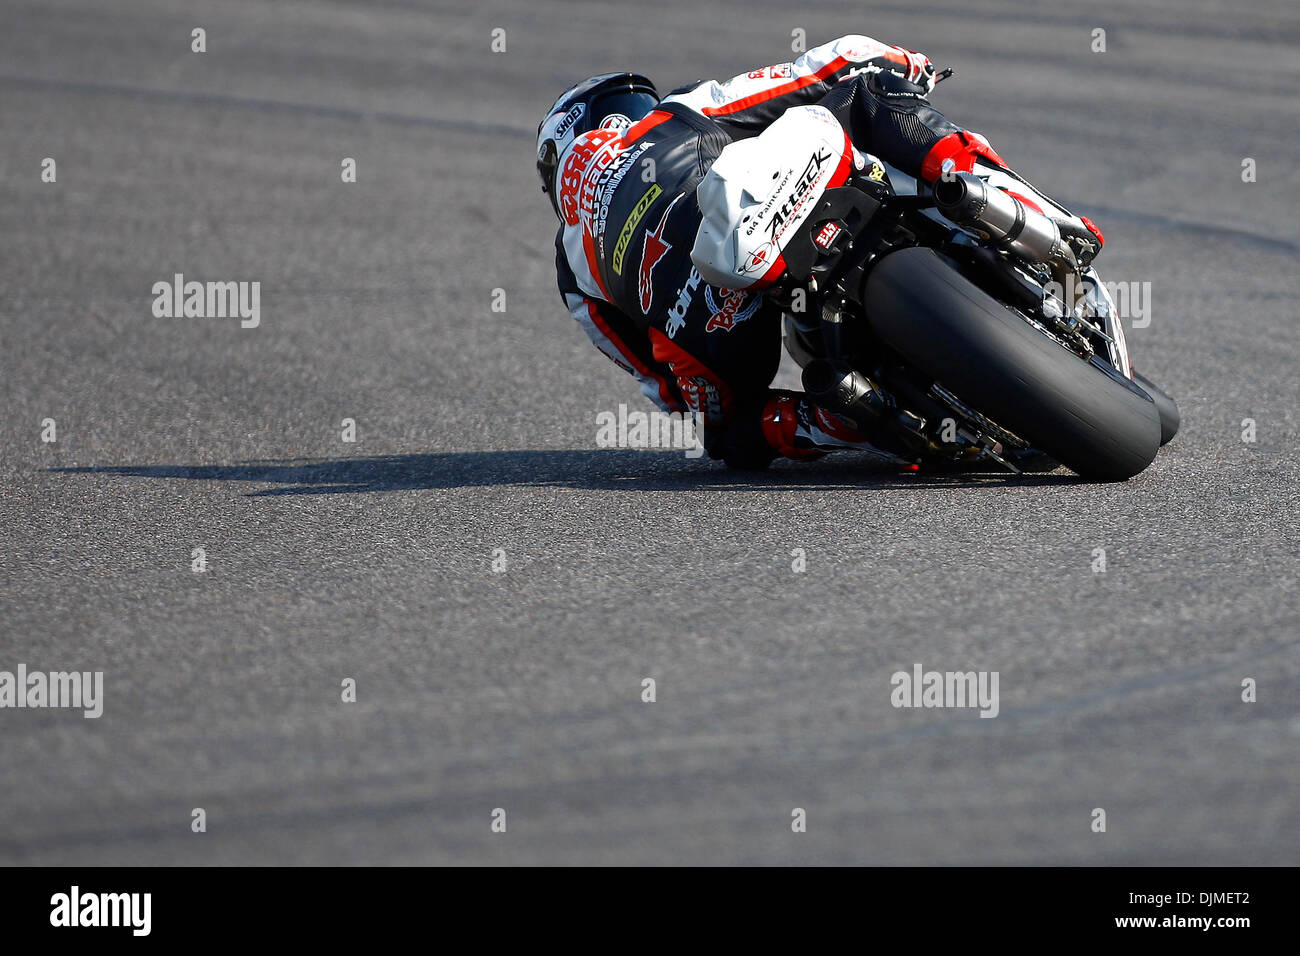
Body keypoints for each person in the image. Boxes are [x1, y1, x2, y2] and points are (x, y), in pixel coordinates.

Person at [536, 35, 1105, 467]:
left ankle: (856, 420)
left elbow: (654, 381)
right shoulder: (675, 111)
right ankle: (1027, 214)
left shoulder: (572, 270)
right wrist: (906, 66)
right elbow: (819, 70)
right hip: (764, 210)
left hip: (709, 322)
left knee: (729, 436)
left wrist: (717, 414)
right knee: (868, 93)